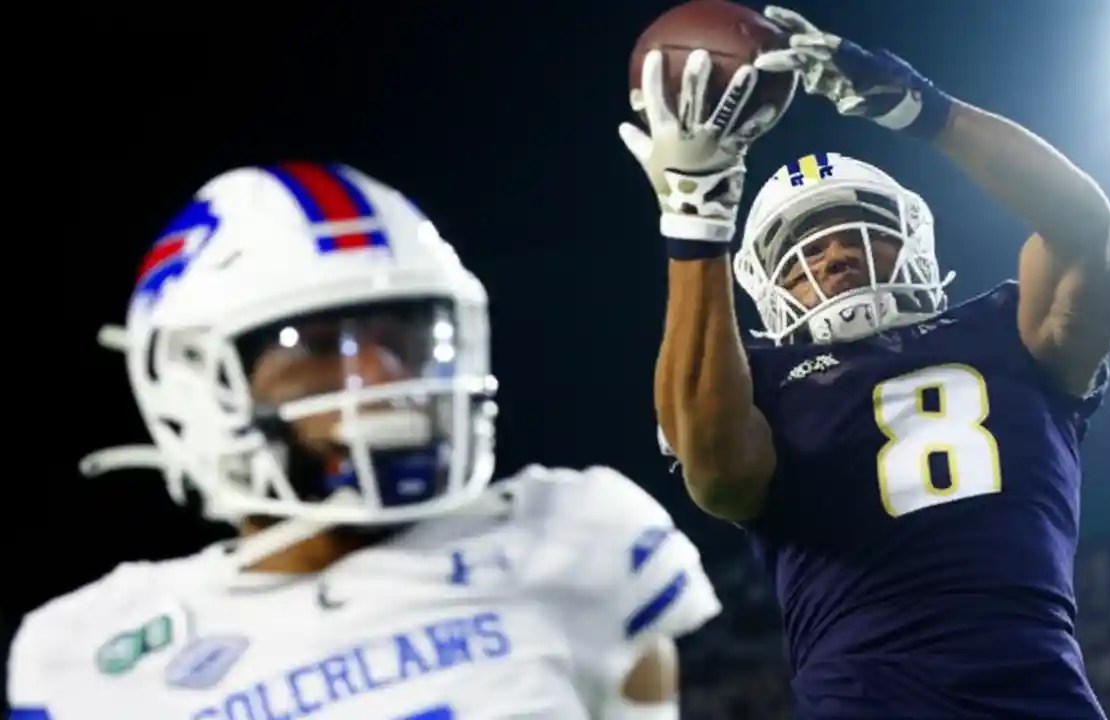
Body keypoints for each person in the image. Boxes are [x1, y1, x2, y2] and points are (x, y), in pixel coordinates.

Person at [9, 162, 719, 719]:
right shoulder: (87, 656)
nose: (387, 377)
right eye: (321, 346)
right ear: (198, 384)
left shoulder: (571, 536)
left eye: (402, 339)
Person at [621, 6, 1110, 718]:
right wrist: (696, 222)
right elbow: (718, 476)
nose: (834, 254)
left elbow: (1085, 228)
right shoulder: (756, 378)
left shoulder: (1007, 331)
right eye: (803, 253)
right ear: (766, 290)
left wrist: (928, 111)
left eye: (861, 230)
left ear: (913, 242)